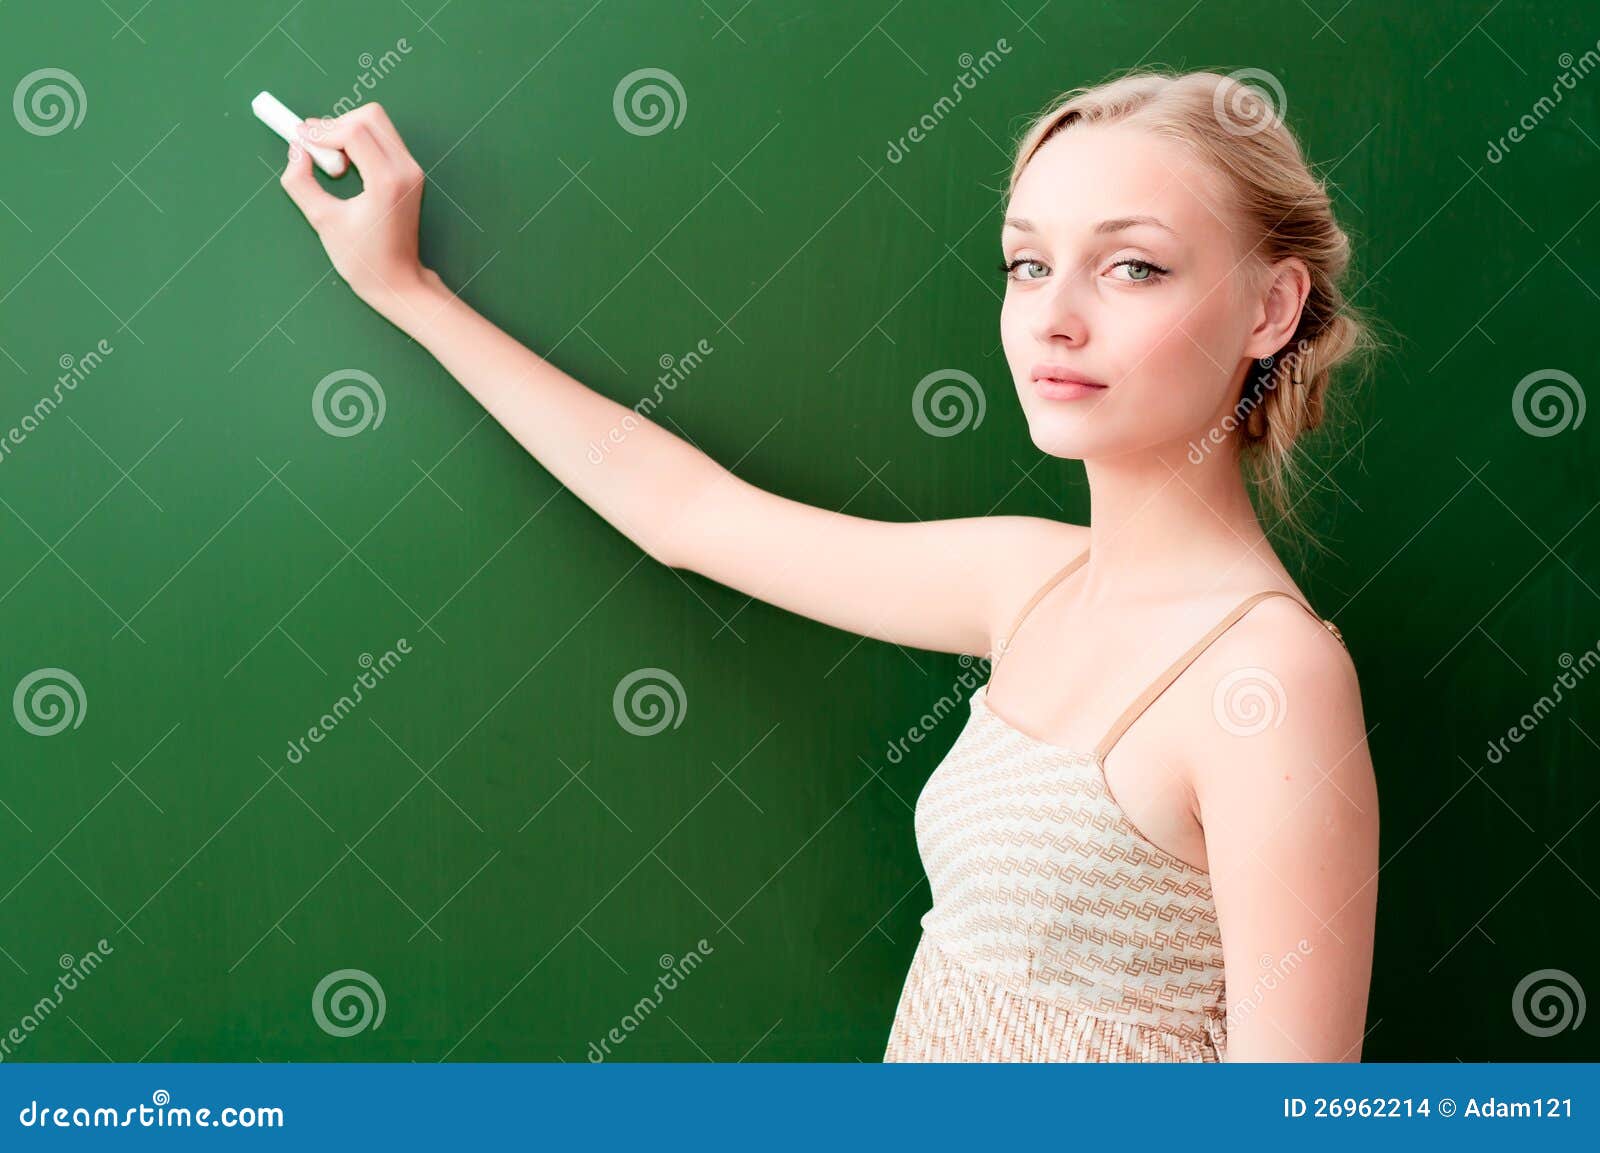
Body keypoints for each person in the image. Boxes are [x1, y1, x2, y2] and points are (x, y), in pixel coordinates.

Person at [274, 65, 1380, 1063]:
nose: (1053, 318)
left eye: (1132, 267)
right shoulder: (1030, 582)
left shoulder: (1268, 682)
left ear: (1269, 308)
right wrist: (403, 292)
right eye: (1028, 263)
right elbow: (688, 513)